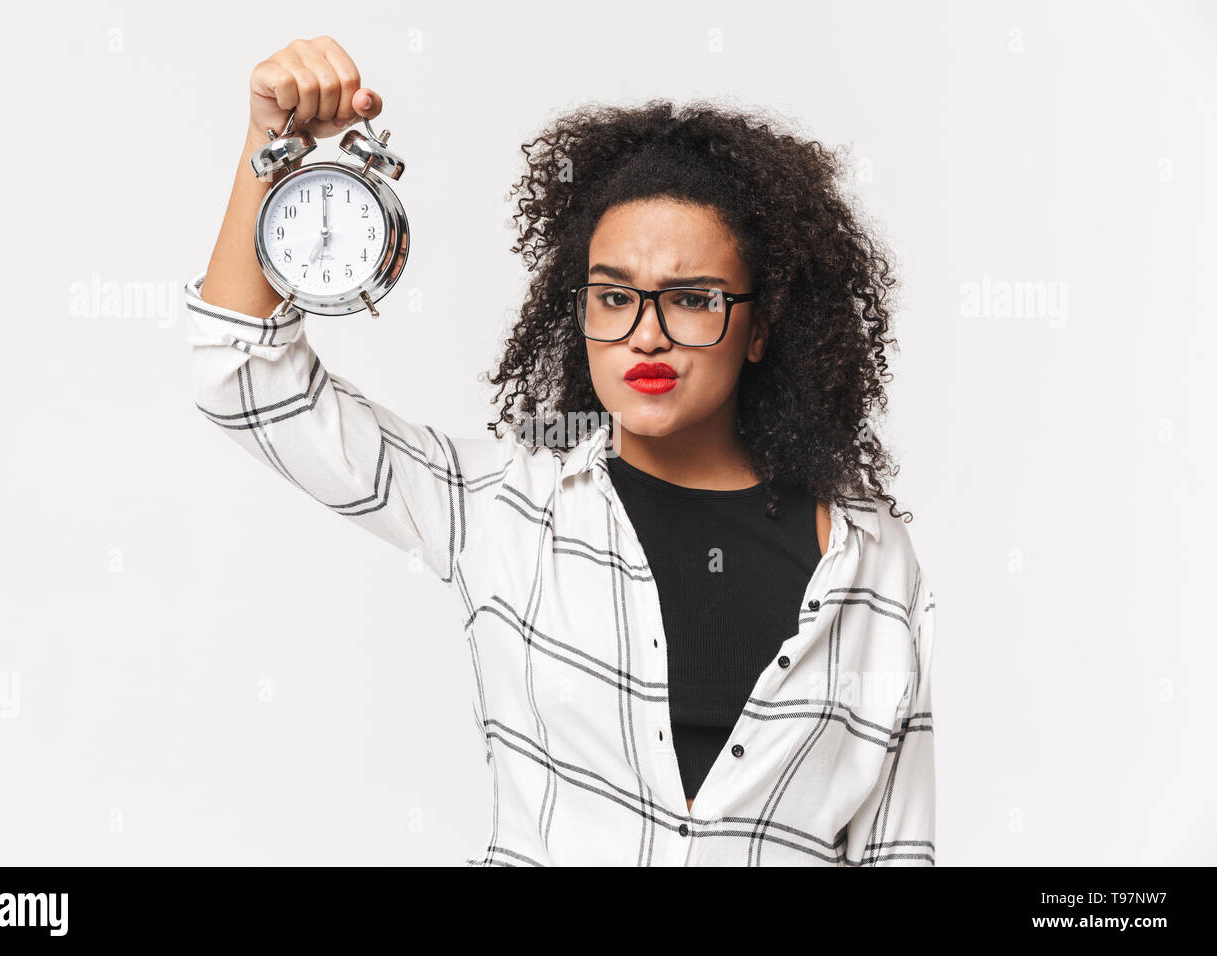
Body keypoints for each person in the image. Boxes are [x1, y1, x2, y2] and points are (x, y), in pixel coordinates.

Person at [185, 35, 938, 866]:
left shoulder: (872, 563)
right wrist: (270, 149)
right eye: (614, 296)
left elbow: (898, 849)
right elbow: (242, 379)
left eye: (692, 299)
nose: (645, 334)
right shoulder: (507, 497)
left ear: (759, 327)